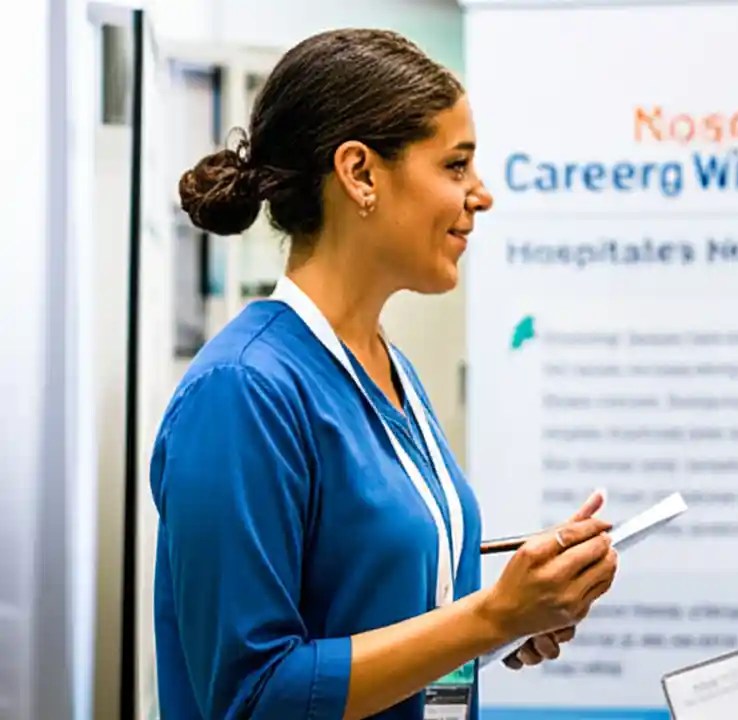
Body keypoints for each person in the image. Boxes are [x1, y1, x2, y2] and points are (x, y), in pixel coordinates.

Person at [153, 28, 619, 720]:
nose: (480, 196)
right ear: (360, 173)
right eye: (456, 166)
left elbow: (384, 622)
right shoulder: (243, 391)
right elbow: (252, 696)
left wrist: (513, 617)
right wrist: (488, 618)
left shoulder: (388, 367)